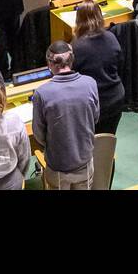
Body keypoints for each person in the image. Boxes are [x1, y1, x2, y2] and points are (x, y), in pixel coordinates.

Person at [31, 41, 100, 189]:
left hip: (57, 167)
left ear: (49, 64)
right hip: (84, 162)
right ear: (72, 60)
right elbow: (95, 118)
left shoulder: (41, 94)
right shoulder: (90, 84)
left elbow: (39, 134)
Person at [71, 1, 125, 134]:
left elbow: (72, 79)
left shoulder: (76, 47)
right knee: (108, 140)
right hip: (115, 97)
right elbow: (120, 64)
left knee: (89, 143)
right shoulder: (111, 37)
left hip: (91, 103)